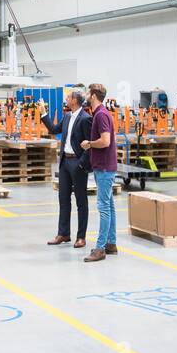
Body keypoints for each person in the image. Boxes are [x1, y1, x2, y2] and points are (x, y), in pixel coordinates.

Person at [40, 89, 90, 249]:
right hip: (64, 163)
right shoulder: (68, 116)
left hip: (77, 163)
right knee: (63, 199)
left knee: (81, 201)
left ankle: (81, 237)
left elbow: (90, 146)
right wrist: (44, 114)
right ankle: (63, 233)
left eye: (68, 97)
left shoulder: (86, 119)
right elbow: (54, 129)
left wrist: (82, 163)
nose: (66, 99)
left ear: (75, 100)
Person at [81, 83, 118, 262]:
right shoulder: (100, 113)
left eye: (88, 93)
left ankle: (101, 248)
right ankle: (111, 243)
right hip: (105, 166)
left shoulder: (101, 115)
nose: (86, 96)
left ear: (94, 95)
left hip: (104, 167)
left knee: (103, 207)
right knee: (109, 206)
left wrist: (89, 143)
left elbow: (105, 141)